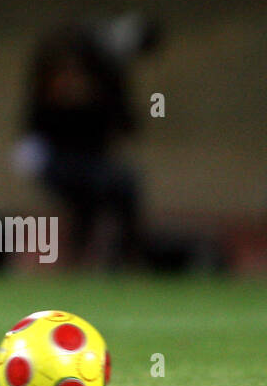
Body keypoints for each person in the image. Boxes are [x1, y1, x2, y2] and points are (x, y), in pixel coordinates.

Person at [14, 16, 159, 269]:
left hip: (93, 163)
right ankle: (75, 259)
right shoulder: (47, 99)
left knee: (122, 185)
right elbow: (32, 133)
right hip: (60, 162)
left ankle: (127, 259)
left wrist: (107, 90)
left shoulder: (105, 89)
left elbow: (128, 126)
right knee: (87, 196)